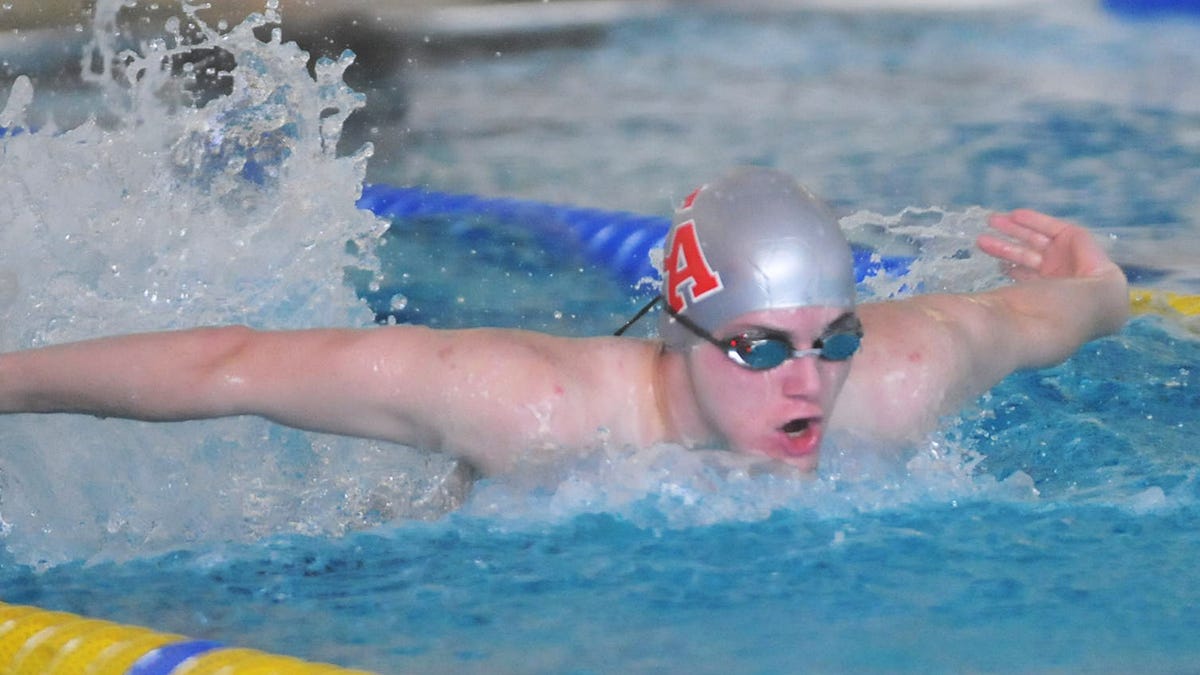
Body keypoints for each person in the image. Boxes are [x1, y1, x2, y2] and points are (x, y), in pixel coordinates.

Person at [0, 167, 1129, 475]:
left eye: (831, 337)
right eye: (762, 348)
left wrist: (1103, 280)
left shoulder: (897, 373)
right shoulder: (532, 405)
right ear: (680, 330)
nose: (809, 384)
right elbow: (228, 365)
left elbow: (1062, 310)